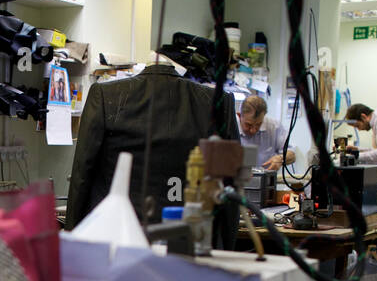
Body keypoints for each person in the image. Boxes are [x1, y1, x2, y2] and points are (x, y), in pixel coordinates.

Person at [67, 58, 240, 247]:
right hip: (191, 236)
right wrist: (227, 247)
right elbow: (232, 184)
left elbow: (82, 173)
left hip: (120, 234)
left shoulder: (105, 95)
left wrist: (71, 235)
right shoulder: (218, 103)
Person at [238, 95, 294, 172]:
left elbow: (292, 154)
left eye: (258, 124)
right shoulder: (229, 127)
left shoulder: (274, 126)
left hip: (265, 181)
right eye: (248, 125)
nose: (253, 130)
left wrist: (280, 158)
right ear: (239, 115)